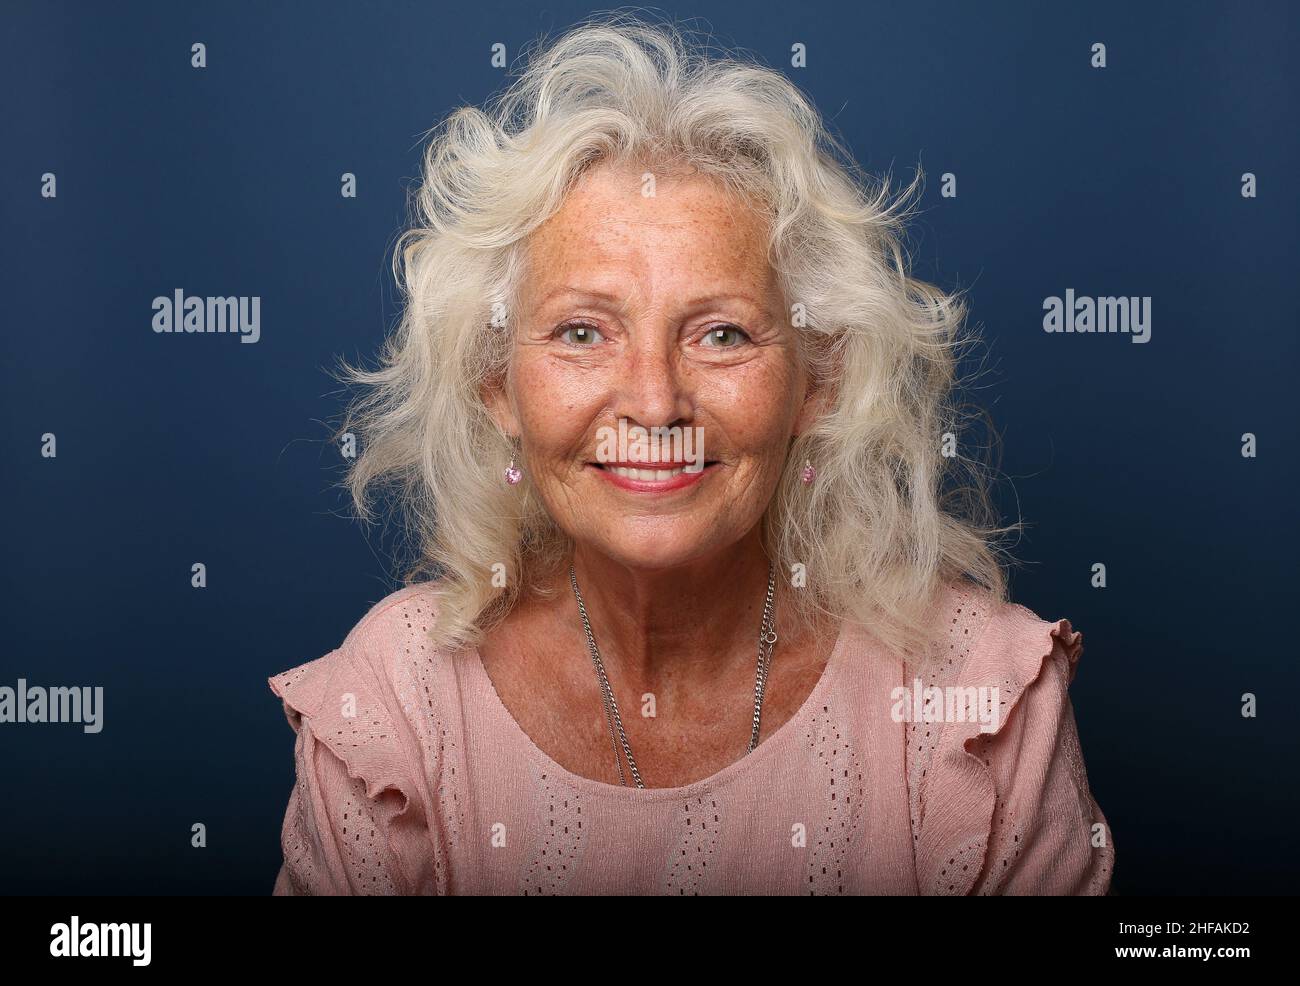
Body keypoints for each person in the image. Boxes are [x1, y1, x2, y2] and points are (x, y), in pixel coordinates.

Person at [268, 12, 1114, 895]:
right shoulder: (395, 704)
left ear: (818, 381)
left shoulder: (973, 695)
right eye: (583, 331)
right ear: (495, 384)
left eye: (720, 333)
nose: (653, 401)